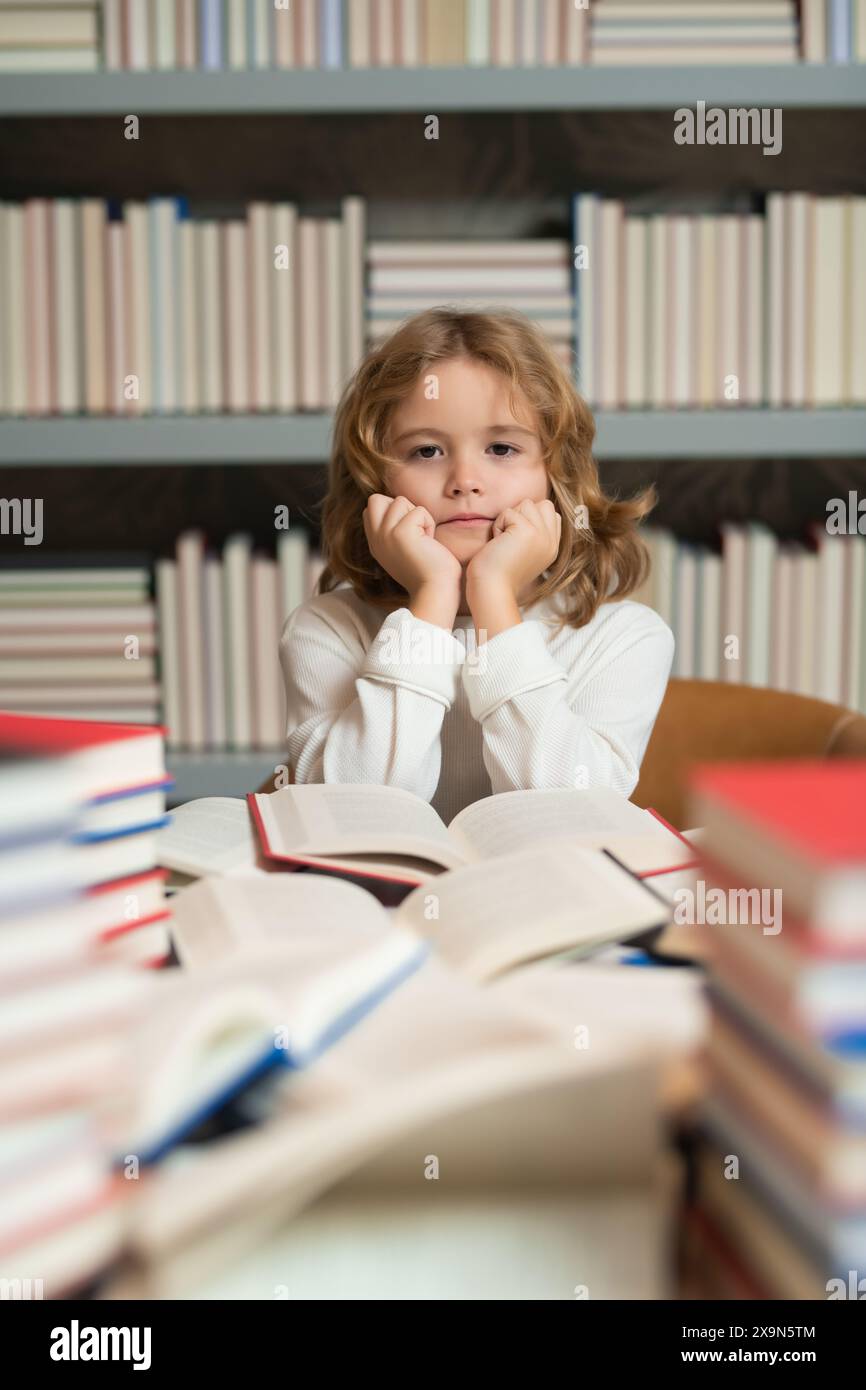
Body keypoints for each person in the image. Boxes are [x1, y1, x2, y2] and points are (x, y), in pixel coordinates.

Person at [279, 307, 675, 825]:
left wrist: (493, 598)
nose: (465, 479)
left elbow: (573, 811)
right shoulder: (325, 629)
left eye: (502, 448)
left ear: (557, 476)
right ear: (376, 487)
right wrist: (433, 599)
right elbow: (352, 814)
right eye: (426, 451)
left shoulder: (626, 636)